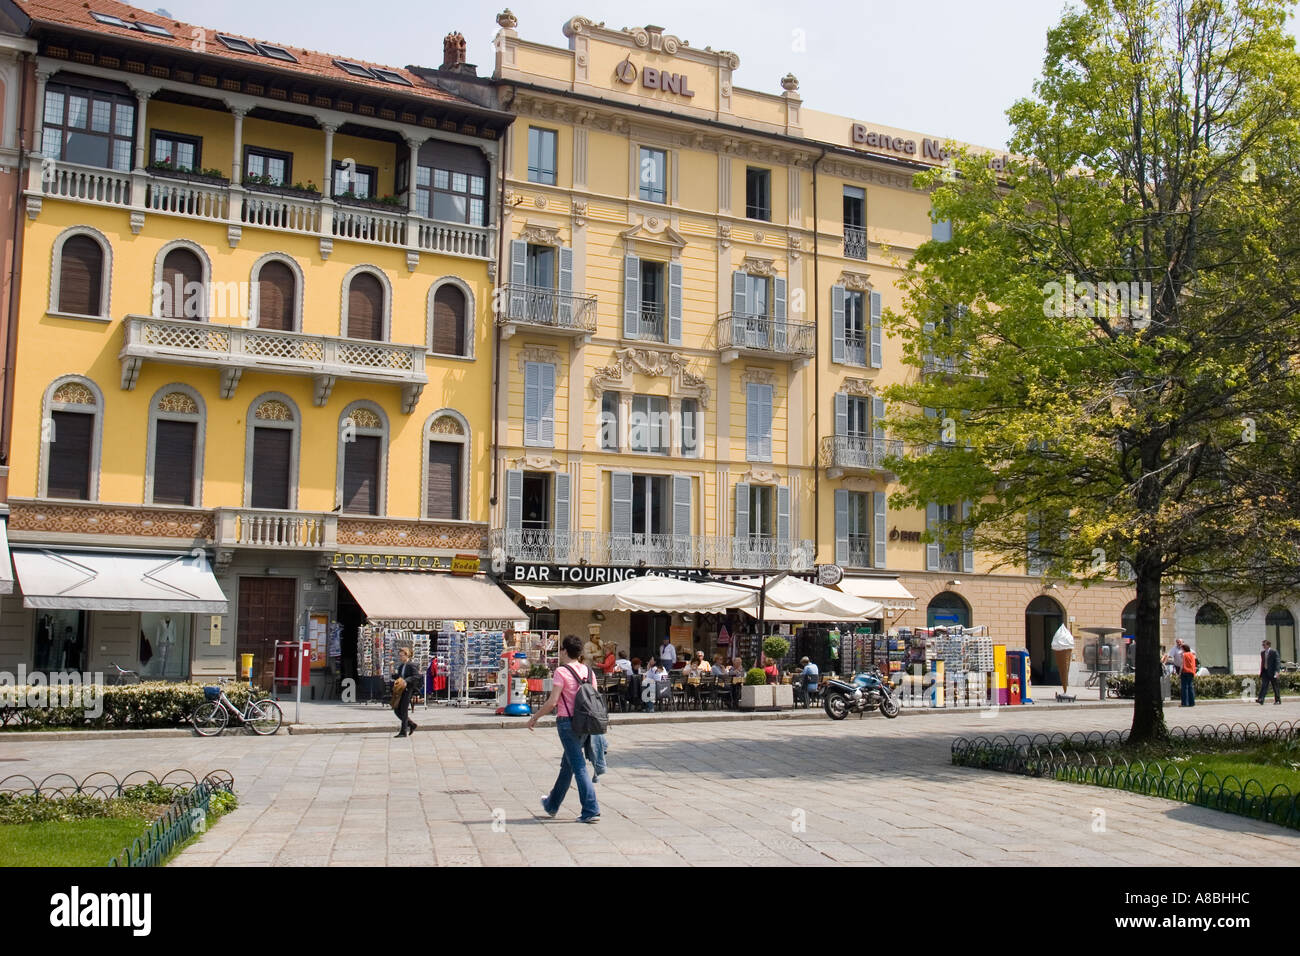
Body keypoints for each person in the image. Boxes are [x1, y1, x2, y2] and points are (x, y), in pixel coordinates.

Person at [528, 634, 600, 823]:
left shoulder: (561, 671)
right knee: (567, 766)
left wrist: (535, 717)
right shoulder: (589, 671)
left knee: (578, 765)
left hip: (567, 722)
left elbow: (553, 702)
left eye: (561, 649)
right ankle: (552, 804)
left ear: (565, 651)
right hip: (586, 723)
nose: (559, 652)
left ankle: (590, 809)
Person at [390, 645, 419, 737]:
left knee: (403, 710)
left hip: (408, 689)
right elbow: (398, 677)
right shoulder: (401, 666)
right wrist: (392, 671)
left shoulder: (412, 665)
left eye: (402, 655)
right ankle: (411, 724)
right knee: (397, 709)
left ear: (407, 655)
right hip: (401, 690)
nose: (400, 657)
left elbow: (416, 676)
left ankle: (403, 732)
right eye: (400, 655)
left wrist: (406, 681)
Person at [1258, 639, 1281, 705]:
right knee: (1264, 686)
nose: (1263, 646)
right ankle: (1261, 699)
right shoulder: (1262, 653)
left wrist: (1277, 672)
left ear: (1268, 645)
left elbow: (1277, 662)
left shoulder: (1274, 652)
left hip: (1273, 672)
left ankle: (1277, 700)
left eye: (1264, 645)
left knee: (1275, 687)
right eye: (1262, 645)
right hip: (1265, 672)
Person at [1180, 642, 1198, 707]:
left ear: (1184, 649)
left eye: (1182, 649)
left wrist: (1179, 672)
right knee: (1190, 687)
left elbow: (1182, 664)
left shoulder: (1184, 654)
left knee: (1184, 687)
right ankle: (1192, 703)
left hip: (1185, 671)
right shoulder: (1192, 654)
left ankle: (1185, 703)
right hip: (1191, 671)